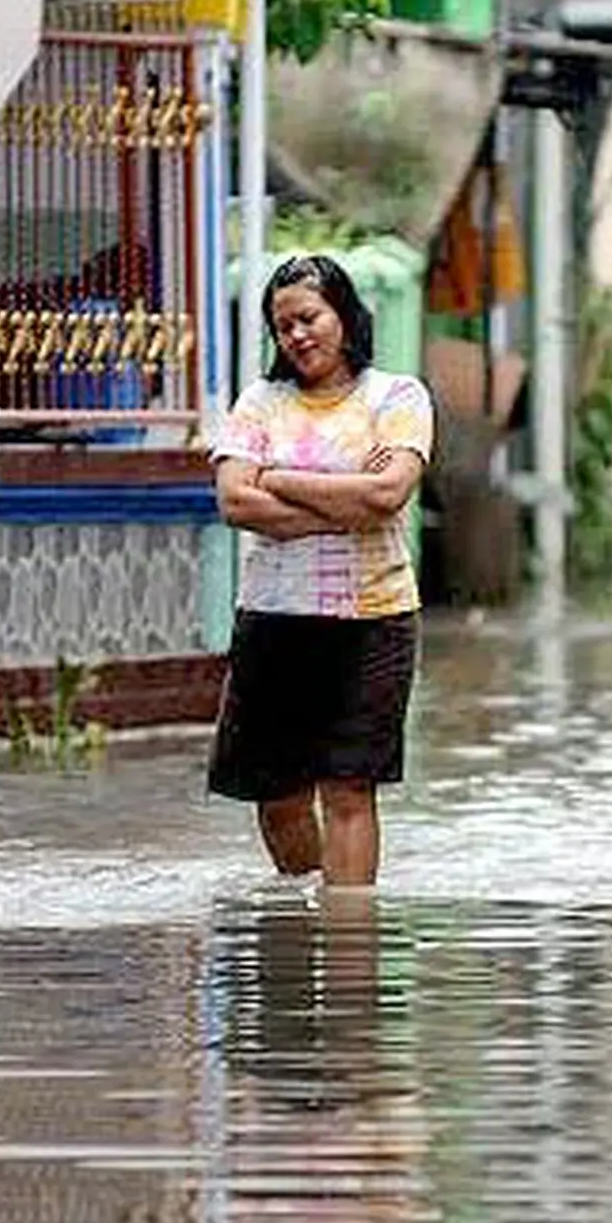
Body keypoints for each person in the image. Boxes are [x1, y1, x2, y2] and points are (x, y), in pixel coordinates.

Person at [209, 254, 434, 889]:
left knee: (348, 787)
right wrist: (346, 497)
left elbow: (388, 496)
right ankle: (304, 914)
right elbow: (235, 502)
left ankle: (347, 942)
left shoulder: (397, 396)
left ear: (343, 315)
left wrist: (275, 479)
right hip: (275, 617)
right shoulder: (260, 402)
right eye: (284, 327)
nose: (298, 335)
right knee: (276, 794)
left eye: (309, 318)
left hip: (372, 618)